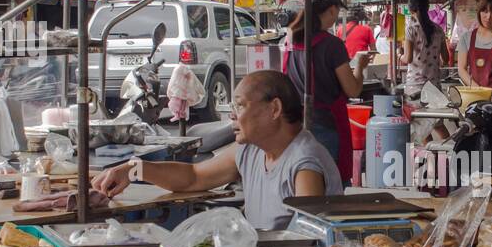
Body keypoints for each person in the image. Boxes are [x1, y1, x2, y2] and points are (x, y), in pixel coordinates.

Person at [91, 70, 342, 231]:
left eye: (240, 106)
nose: (232, 114)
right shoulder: (252, 150)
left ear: (274, 109)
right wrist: (133, 170)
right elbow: (194, 177)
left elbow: (311, 239)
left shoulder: (304, 164)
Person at [282, 0, 369, 183]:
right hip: (326, 126)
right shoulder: (332, 45)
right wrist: (360, 66)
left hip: (296, 125)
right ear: (331, 9)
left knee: (305, 182)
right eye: (337, 10)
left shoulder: (290, 41)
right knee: (331, 185)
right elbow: (353, 90)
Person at [399, 0, 446, 99]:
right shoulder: (438, 29)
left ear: (411, 10)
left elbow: (408, 59)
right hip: (434, 88)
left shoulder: (411, 29)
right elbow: (446, 58)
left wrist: (399, 54)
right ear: (427, 8)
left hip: (415, 88)